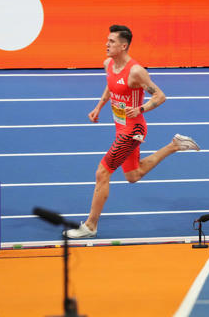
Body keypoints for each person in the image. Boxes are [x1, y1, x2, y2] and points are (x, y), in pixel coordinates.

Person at [65, 25, 200, 238]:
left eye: (111, 41)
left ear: (123, 45)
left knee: (102, 172)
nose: (106, 44)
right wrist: (98, 106)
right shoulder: (108, 63)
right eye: (107, 40)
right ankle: (175, 145)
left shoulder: (136, 71)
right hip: (120, 127)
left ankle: (90, 226)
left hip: (133, 129)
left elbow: (160, 96)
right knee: (133, 175)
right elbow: (111, 85)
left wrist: (141, 108)